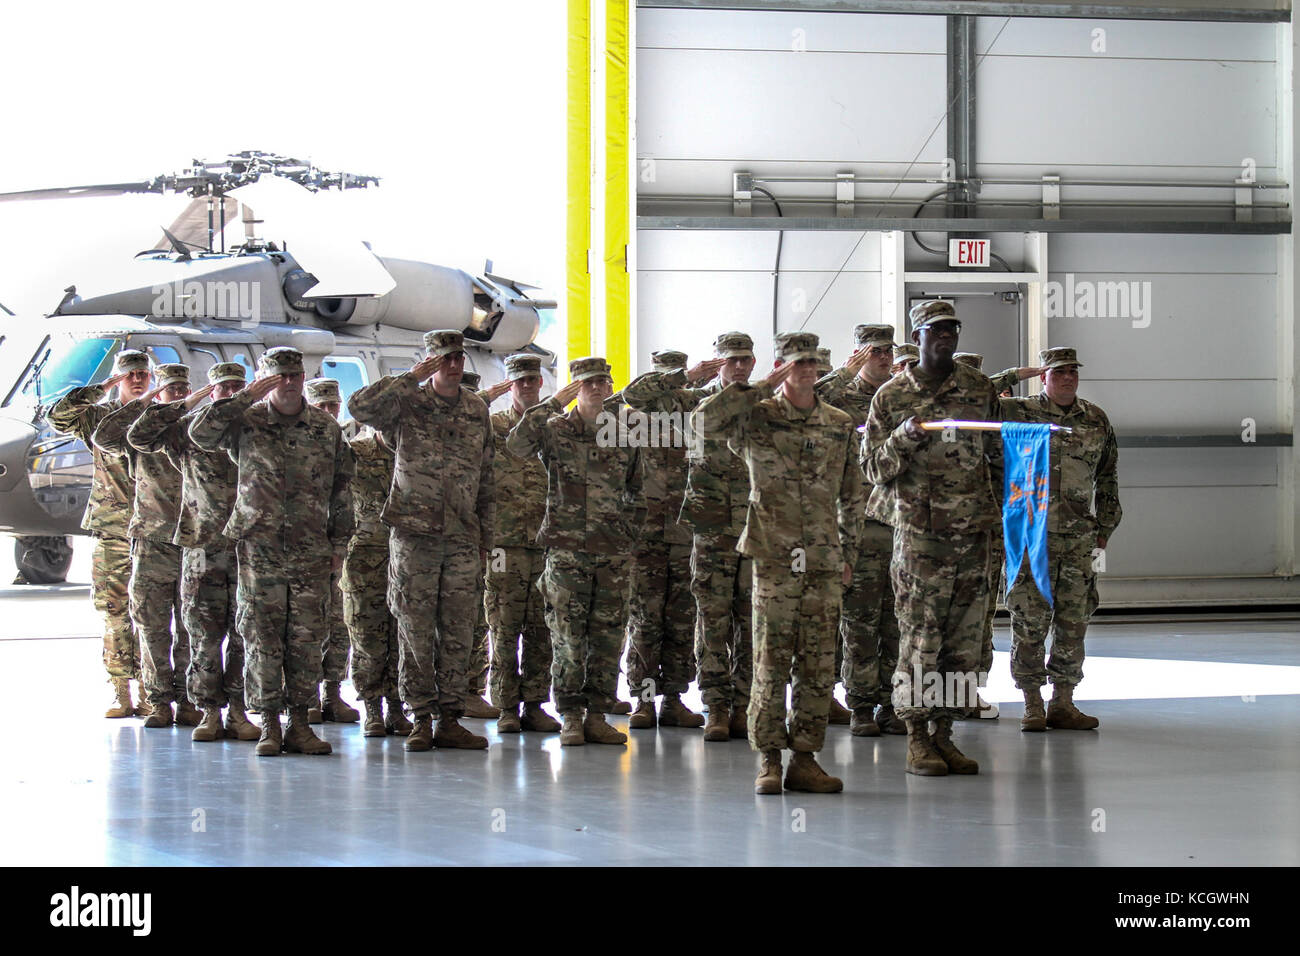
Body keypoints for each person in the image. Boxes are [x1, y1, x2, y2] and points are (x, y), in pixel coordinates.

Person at [696, 331, 860, 794]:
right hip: (773, 556)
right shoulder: (755, 417)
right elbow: (703, 423)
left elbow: (852, 494)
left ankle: (805, 758)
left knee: (818, 663)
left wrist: (848, 551)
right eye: (796, 362)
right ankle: (768, 758)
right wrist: (761, 386)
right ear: (782, 365)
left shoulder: (839, 422)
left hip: (824, 558)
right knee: (770, 659)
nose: (806, 370)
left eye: (812, 362)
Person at [189, 347, 354, 756]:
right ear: (265, 379)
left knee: (305, 639)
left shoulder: (323, 427)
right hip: (258, 548)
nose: (289, 381)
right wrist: (244, 397)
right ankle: (268, 725)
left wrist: (339, 542)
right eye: (279, 375)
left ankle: (300, 723)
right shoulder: (245, 421)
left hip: (310, 549)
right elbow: (200, 434)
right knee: (261, 637)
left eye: (295, 374)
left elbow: (342, 487)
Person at [863, 300, 1002, 777]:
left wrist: (1004, 519)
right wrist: (904, 436)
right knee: (921, 640)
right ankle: (917, 736)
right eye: (937, 330)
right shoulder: (890, 397)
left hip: (974, 535)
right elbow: (873, 469)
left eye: (953, 329)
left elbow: (998, 456)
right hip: (920, 541)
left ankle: (946, 735)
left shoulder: (978, 388)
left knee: (964, 643)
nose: (947, 336)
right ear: (918, 336)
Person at [347, 330, 494, 752]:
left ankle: (450, 717)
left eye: (458, 357)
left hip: (462, 536)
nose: (452, 365)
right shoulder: (407, 401)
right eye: (444, 358)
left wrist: (486, 536)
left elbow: (486, 476)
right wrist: (409, 377)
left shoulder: (475, 410)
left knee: (458, 630)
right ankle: (420, 717)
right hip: (414, 534)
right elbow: (359, 407)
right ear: (430, 360)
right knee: (414, 627)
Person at [622, 331, 756, 742]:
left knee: (717, 622)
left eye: (744, 359)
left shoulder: (760, 404)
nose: (737, 366)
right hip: (700, 528)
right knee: (659, 619)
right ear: (717, 361)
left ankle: (710, 702)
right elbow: (634, 396)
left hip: (744, 530)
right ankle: (661, 700)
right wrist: (683, 376)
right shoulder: (692, 403)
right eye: (729, 359)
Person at [507, 356, 644, 746]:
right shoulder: (555, 430)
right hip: (566, 552)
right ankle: (569, 714)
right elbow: (516, 446)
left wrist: (627, 536)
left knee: (608, 637)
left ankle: (598, 714)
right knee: (567, 636)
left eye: (604, 381)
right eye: (588, 383)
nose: (598, 388)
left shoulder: (623, 433)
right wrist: (550, 403)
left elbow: (637, 491)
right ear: (574, 388)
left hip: (612, 555)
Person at [127, 362, 259, 741]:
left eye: (238, 386)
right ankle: (208, 711)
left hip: (246, 545)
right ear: (211, 389)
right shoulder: (188, 429)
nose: (230, 393)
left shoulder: (256, 427)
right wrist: (185, 402)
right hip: (201, 545)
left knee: (242, 631)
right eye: (223, 386)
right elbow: (142, 436)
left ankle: (236, 709)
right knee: (202, 630)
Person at [1000, 347, 1120, 732]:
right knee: (1029, 622)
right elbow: (973, 394)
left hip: (1078, 539)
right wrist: (1016, 374)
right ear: (1044, 376)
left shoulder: (1095, 419)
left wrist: (1106, 525)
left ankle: (1063, 702)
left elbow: (1108, 476)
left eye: (1072, 371)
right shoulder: (1019, 412)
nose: (1067, 377)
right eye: (1058, 372)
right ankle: (1032, 702)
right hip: (1031, 539)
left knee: (1074, 622)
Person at [93, 363, 200, 728]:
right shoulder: (142, 435)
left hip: (190, 543)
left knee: (190, 627)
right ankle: (158, 701)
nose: (178, 395)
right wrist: (144, 404)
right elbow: (104, 437)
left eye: (182, 388)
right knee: (152, 627)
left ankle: (188, 700)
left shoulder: (198, 431)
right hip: (153, 542)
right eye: (170, 389)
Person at [47, 348, 151, 718]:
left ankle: (152, 692)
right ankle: (121, 690)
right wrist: (99, 388)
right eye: (129, 374)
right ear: (117, 378)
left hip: (155, 531)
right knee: (114, 612)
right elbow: (58, 416)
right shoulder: (99, 418)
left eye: (143, 373)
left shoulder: (159, 417)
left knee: (154, 615)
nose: (137, 379)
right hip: (112, 529)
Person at [815, 323, 904, 736]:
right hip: (857, 526)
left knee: (897, 621)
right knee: (859, 621)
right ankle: (862, 706)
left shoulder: (899, 398)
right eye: (873, 351)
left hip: (901, 523)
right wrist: (844, 373)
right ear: (858, 354)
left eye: (887, 350)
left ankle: (892, 703)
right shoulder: (839, 398)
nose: (883, 358)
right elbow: (803, 403)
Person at [480, 355, 560, 734]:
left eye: (532, 380)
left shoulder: (554, 427)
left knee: (542, 627)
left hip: (544, 543)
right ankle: (506, 705)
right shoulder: (492, 426)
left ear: (540, 385)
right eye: (519, 381)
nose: (527, 386)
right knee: (503, 623)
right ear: (509, 386)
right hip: (502, 544)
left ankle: (534, 703)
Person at [624, 350, 703, 730]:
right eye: (665, 377)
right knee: (644, 619)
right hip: (645, 532)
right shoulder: (630, 416)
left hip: (685, 532)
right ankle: (643, 699)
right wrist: (680, 374)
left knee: (681, 620)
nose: (672, 386)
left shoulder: (694, 407)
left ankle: (673, 698)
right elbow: (632, 392)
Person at [343, 422, 412, 737]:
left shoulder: (415, 450)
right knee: (367, 636)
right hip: (365, 559)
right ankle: (372, 708)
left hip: (409, 558)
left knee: (404, 637)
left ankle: (398, 709)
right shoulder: (355, 452)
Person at [303, 377, 361, 725]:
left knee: (340, 625)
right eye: (321, 406)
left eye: (332, 406)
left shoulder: (349, 440)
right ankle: (305, 695)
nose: (327, 412)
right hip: (306, 545)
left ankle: (332, 694)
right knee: (307, 625)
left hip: (343, 544)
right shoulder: (300, 441)